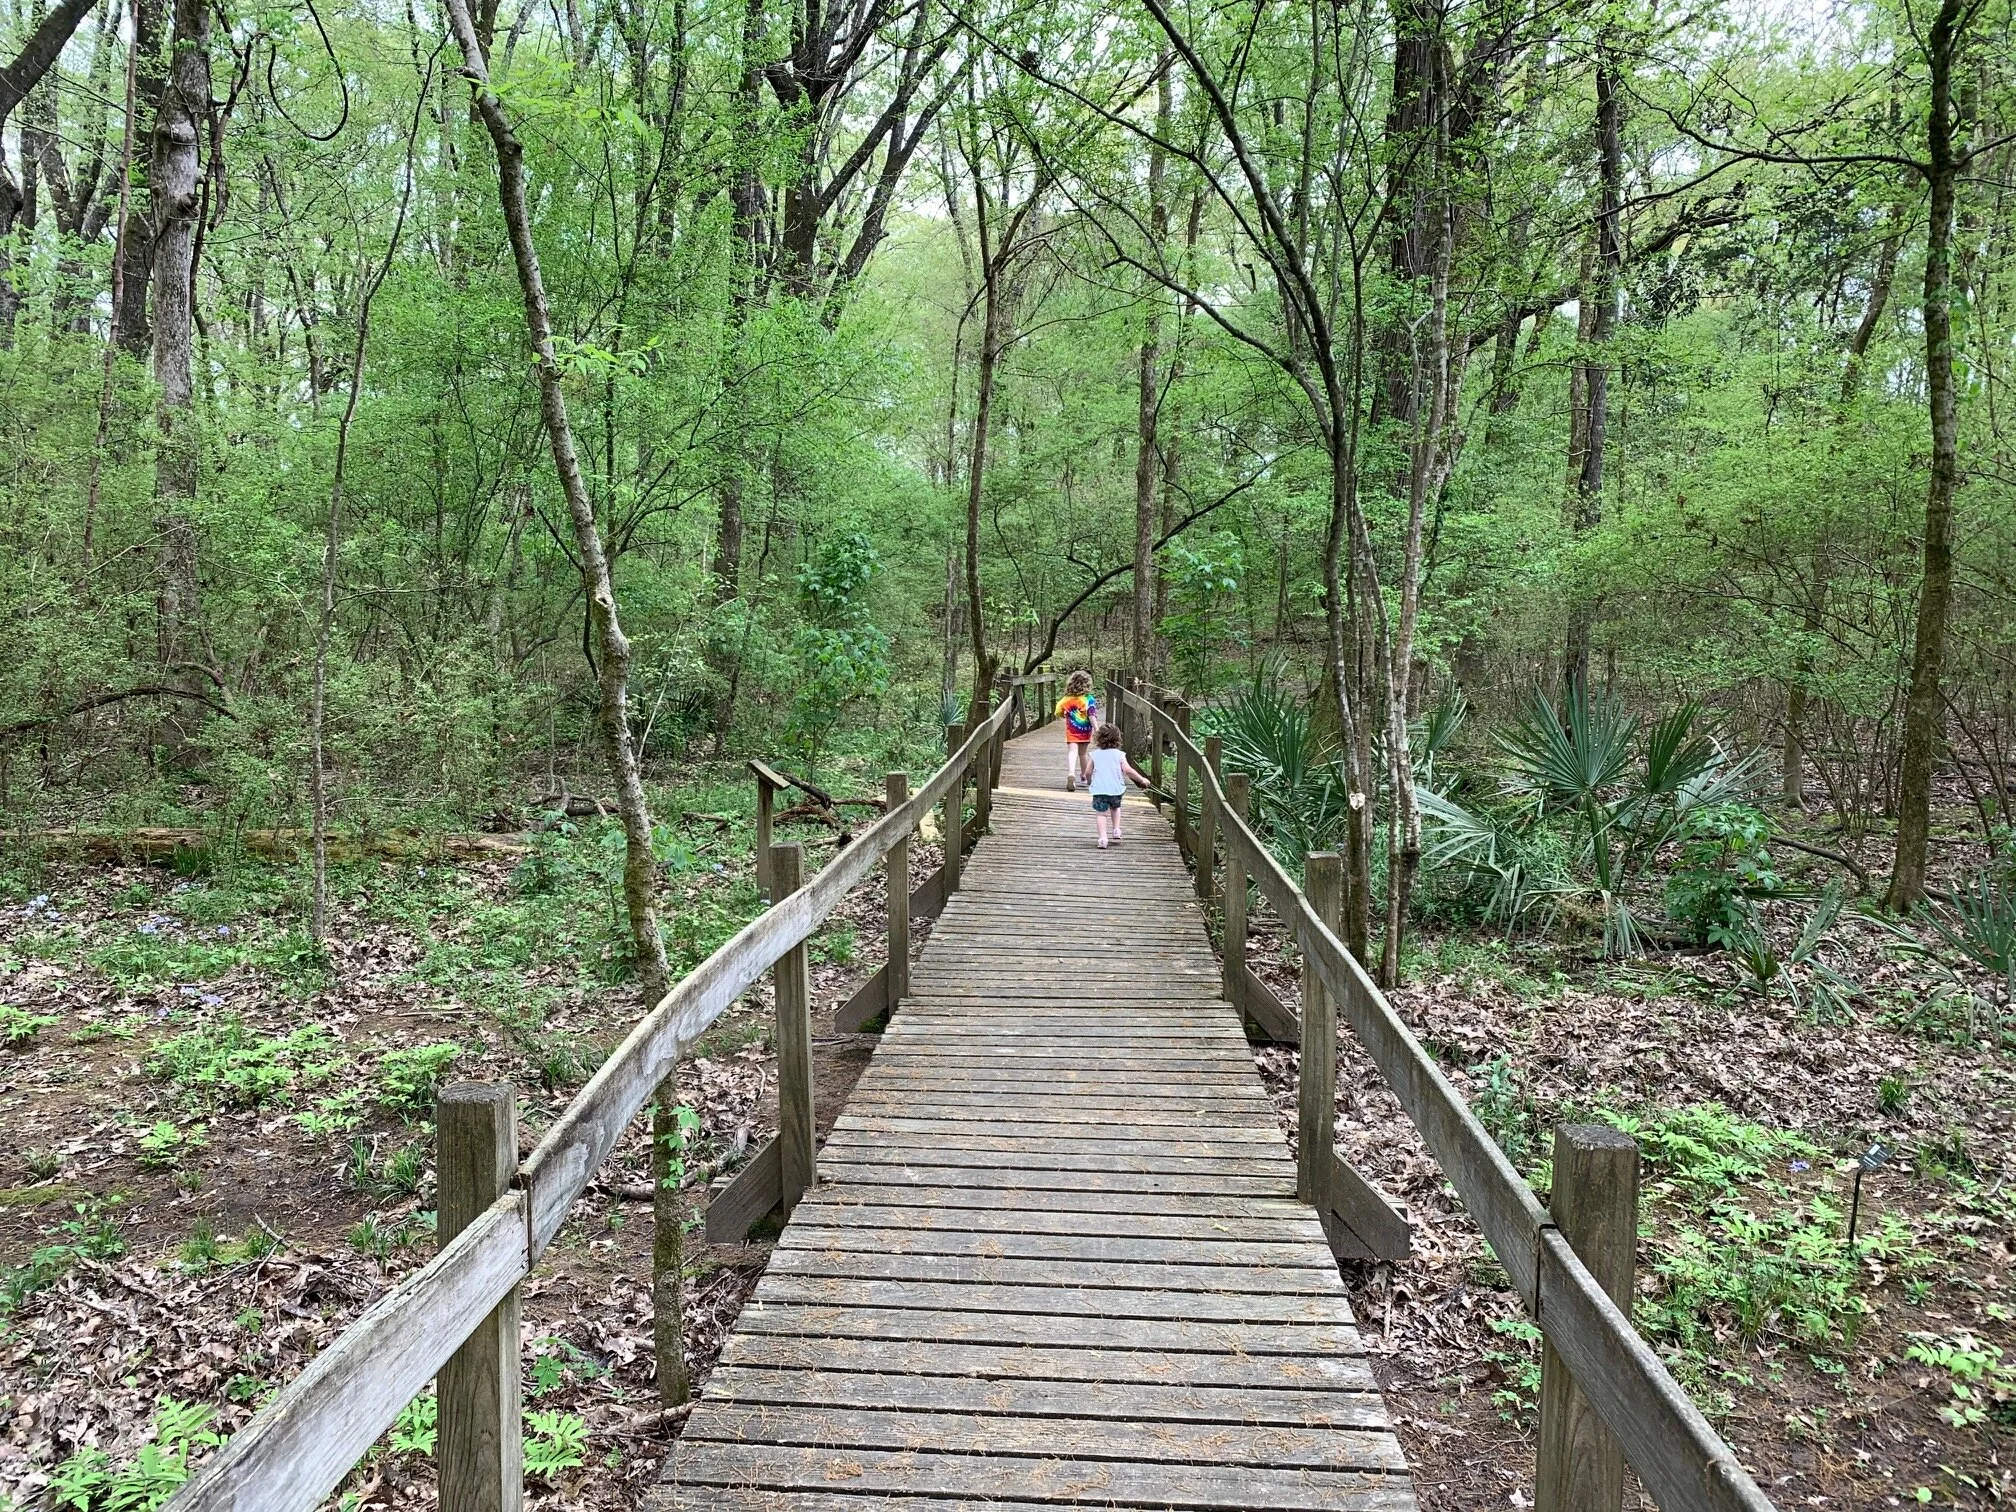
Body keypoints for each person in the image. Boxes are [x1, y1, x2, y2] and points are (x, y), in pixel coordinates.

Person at [1085, 722, 1149, 848]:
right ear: (1118, 739)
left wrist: (1089, 781)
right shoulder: (1119, 755)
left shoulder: (1095, 754)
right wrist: (1142, 780)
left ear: (1098, 739)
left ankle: (1103, 838)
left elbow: (1087, 772)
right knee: (1115, 808)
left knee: (1101, 813)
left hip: (1099, 789)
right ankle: (1116, 830)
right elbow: (1128, 770)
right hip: (1115, 788)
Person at [1054, 670, 1099, 791]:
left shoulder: (1066, 699)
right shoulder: (1089, 699)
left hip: (1072, 730)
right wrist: (1096, 728)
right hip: (1085, 731)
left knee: (1072, 752)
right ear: (1087, 685)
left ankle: (1071, 773)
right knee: (1083, 753)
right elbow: (1091, 715)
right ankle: (1084, 776)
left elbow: (1058, 711)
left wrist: (1064, 714)